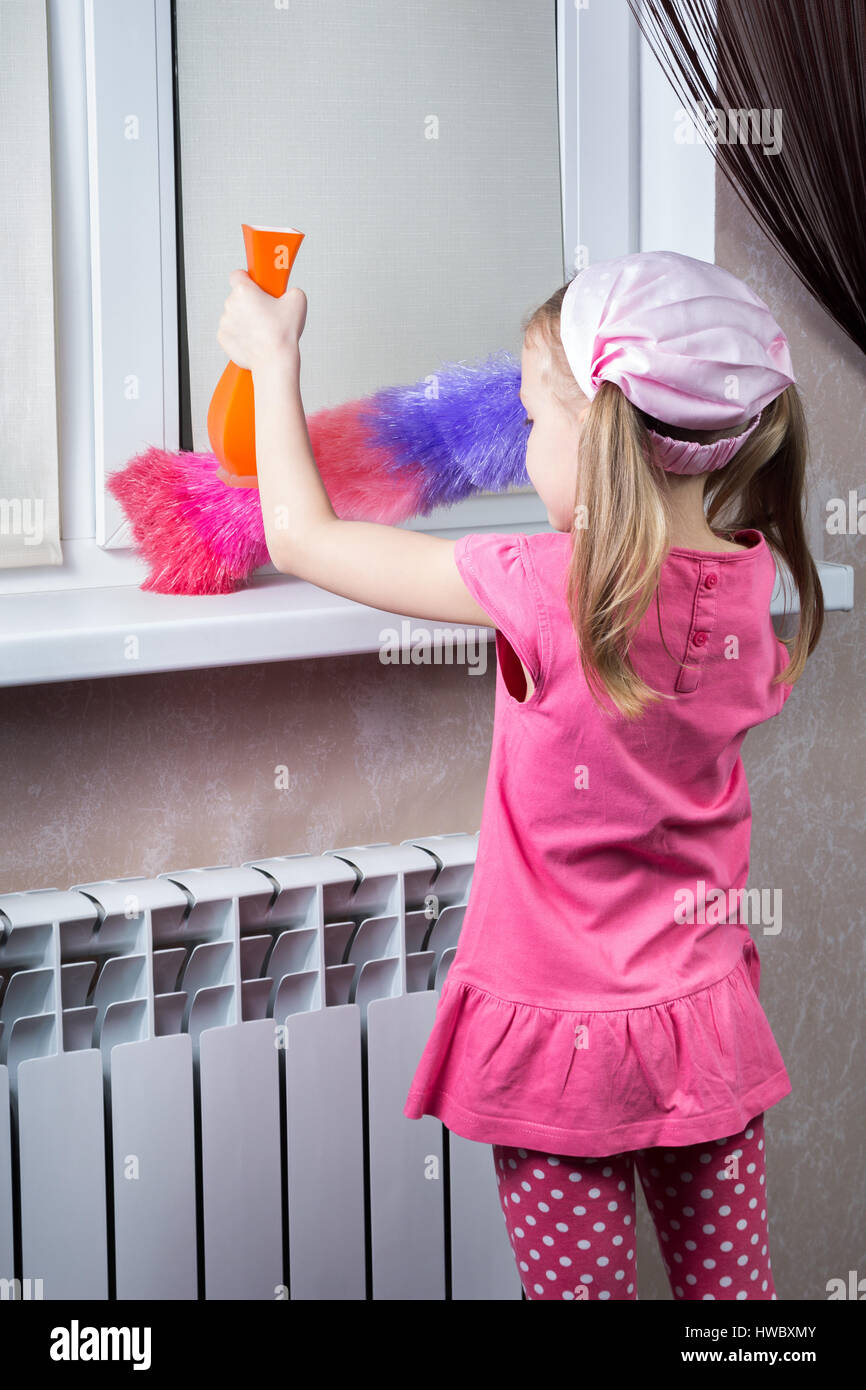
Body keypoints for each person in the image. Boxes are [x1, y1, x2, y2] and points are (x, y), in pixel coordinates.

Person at [217, 248, 823, 1301]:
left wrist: (272, 361)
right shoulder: (749, 576)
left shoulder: (543, 587)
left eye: (536, 421)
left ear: (599, 438)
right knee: (738, 1311)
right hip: (703, 1022)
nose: (522, 446)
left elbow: (302, 538)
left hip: (559, 1052)